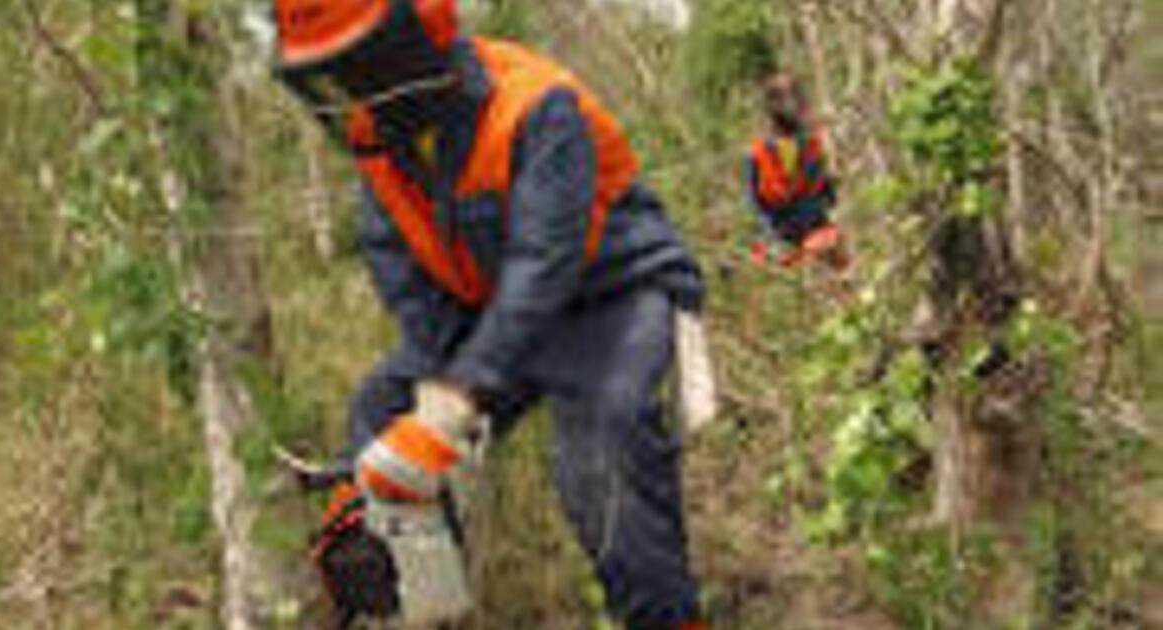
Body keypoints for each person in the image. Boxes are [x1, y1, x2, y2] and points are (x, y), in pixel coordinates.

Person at [271, 1, 709, 629]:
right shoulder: (379, 147)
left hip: (611, 295)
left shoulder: (535, 106)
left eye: (366, 65)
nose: (358, 89)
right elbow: (411, 290)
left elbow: (544, 265)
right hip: (486, 317)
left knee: (601, 444)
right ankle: (412, 603)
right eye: (340, 73)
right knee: (380, 411)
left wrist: (457, 397)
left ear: (414, 39)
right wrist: (403, 443)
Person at [743, 71, 847, 271]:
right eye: (787, 99)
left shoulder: (812, 145)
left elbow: (828, 196)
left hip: (817, 235)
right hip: (778, 240)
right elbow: (755, 206)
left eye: (796, 97)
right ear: (771, 106)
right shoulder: (758, 153)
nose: (795, 105)